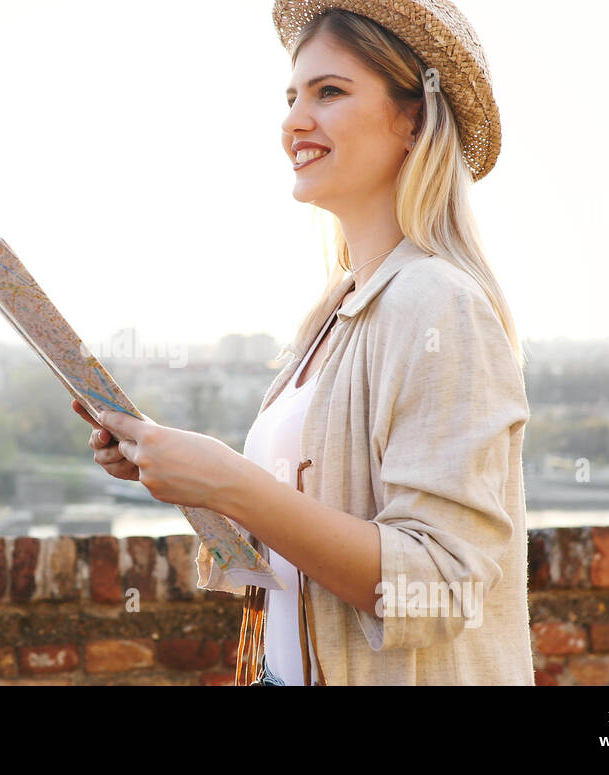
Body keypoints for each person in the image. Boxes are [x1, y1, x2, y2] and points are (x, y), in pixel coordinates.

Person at [71, 0, 532, 685]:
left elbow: (437, 587)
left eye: (330, 92)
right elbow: (299, 542)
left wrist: (235, 481)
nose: (293, 120)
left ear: (413, 118)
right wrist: (184, 474)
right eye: (291, 96)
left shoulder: (440, 303)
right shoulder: (333, 312)